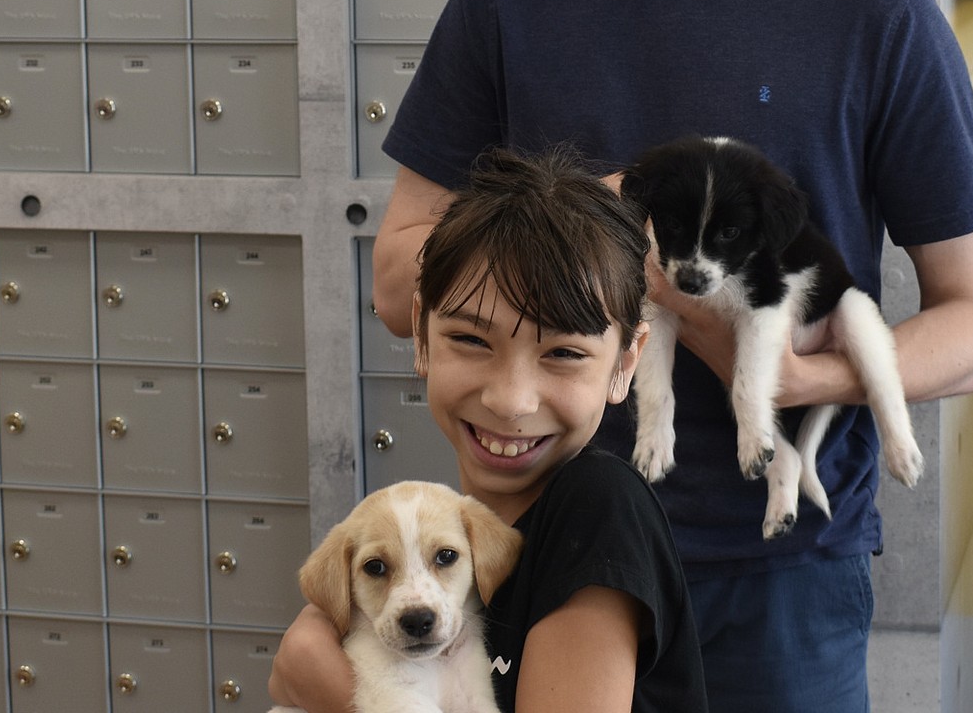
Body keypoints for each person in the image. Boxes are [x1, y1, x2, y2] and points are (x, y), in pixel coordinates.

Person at [359, 0, 973, 708]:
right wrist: (608, 225)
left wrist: (795, 378)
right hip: (550, 546)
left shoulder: (876, 6)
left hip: (784, 576)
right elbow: (399, 283)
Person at [270, 148, 707, 713]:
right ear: (422, 337)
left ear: (626, 362)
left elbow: (314, 668)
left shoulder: (598, 509)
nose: (511, 399)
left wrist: (341, 695)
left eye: (565, 352)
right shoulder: (447, 522)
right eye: (472, 340)